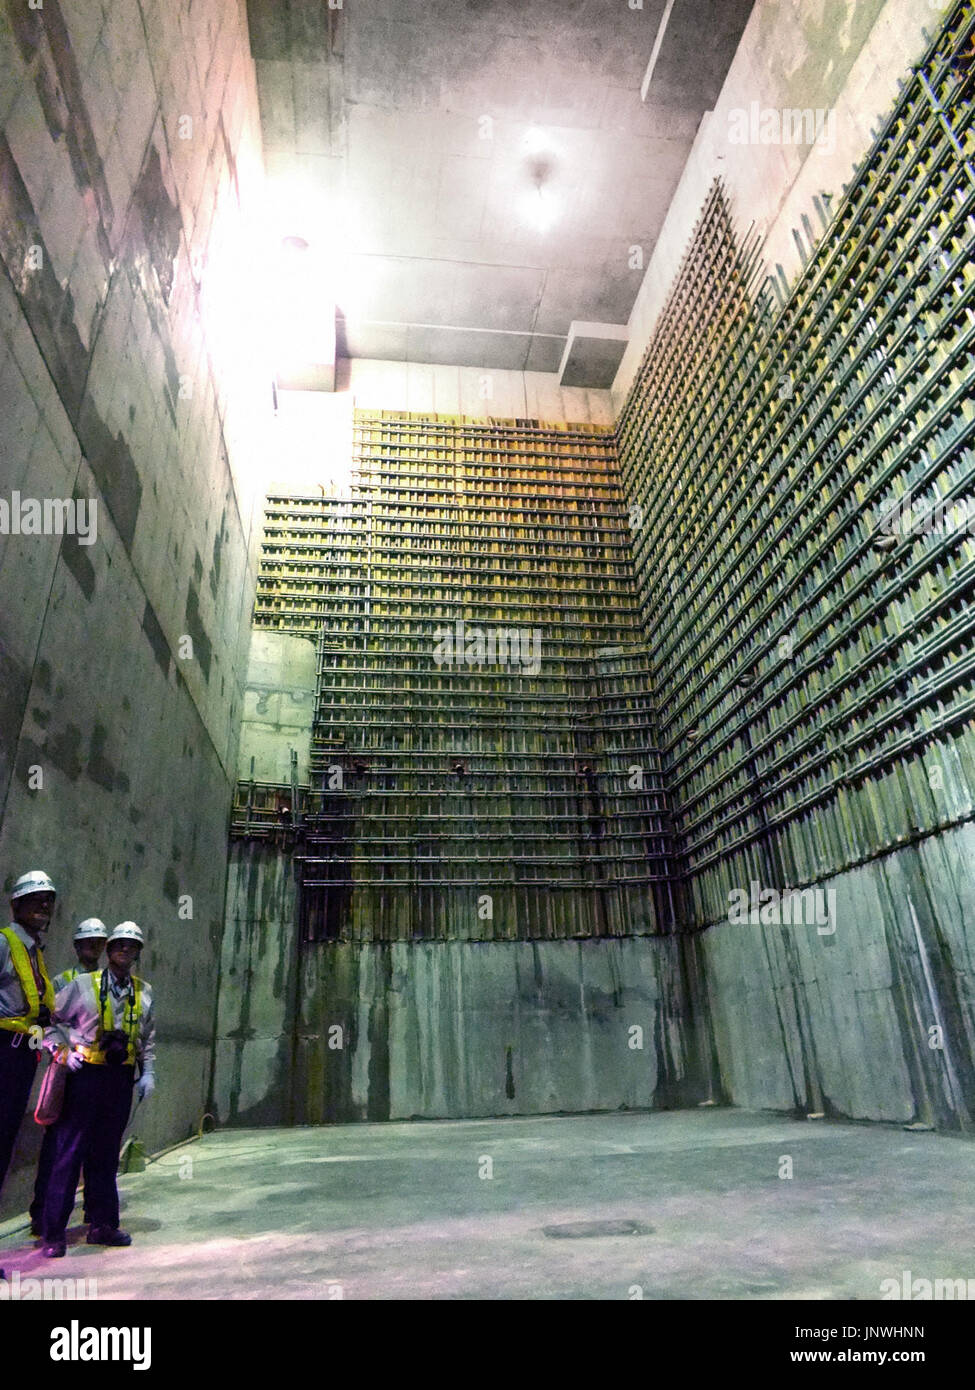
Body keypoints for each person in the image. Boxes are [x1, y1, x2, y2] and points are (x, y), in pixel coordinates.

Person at [40, 922, 155, 1258]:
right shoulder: (81, 985)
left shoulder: (145, 992)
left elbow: (148, 1039)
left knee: (106, 1154)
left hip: (119, 1079)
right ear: (109, 950)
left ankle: (103, 1225)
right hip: (85, 1075)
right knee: (69, 1151)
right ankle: (53, 1234)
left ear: (137, 953)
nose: (125, 951)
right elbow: (50, 1020)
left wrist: (149, 1072)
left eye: (132, 946)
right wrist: (64, 1051)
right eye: (120, 945)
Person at [28, 919, 108, 1236]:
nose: (93, 946)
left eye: (98, 941)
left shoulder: (108, 982)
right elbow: (48, 1023)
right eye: (87, 941)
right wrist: (63, 1052)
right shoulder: (62, 982)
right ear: (76, 946)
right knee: (57, 1146)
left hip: (98, 1072)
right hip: (67, 1070)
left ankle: (92, 1209)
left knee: (96, 1144)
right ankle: (41, 1213)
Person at [0, 870, 57, 1281]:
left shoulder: (36, 953)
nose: (43, 905)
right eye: (34, 898)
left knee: (3, 1150)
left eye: (48, 899)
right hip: (3, 1054)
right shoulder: (4, 944)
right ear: (15, 905)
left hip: (21, 1060)